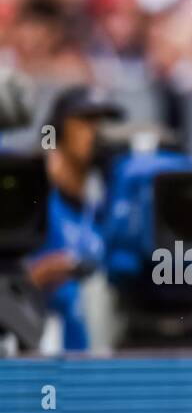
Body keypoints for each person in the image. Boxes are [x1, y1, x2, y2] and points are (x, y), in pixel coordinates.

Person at [26, 85, 123, 351]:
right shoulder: (32, 200)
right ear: (58, 128)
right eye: (87, 120)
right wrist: (35, 278)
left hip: (90, 365)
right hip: (34, 365)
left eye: (105, 122)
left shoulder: (104, 207)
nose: (99, 131)